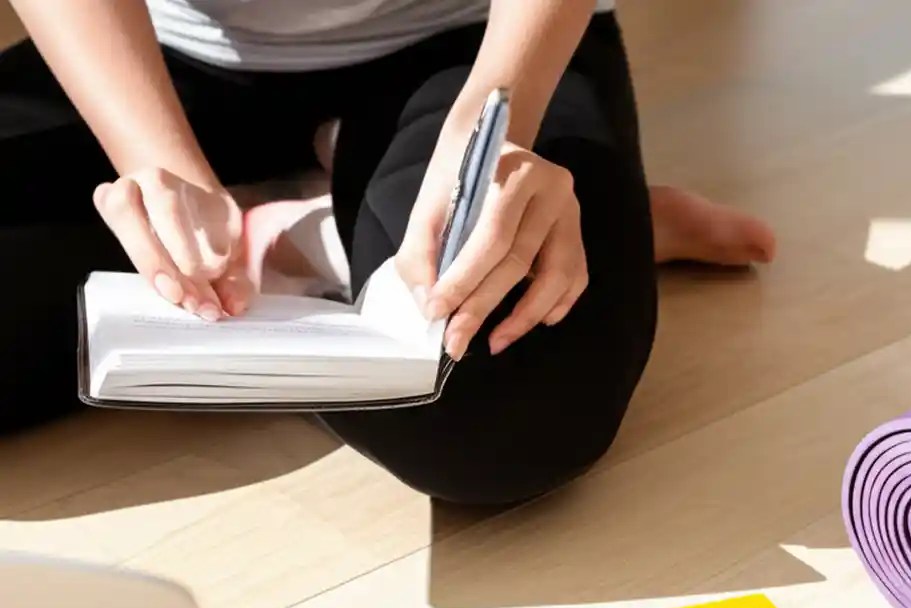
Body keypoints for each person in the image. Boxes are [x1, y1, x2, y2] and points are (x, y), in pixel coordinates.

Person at [0, 0, 775, 503]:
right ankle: (321, 225)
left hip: (464, 43)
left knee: (502, 417)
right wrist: (154, 159)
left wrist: (501, 118)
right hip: (158, 52)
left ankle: (322, 231)